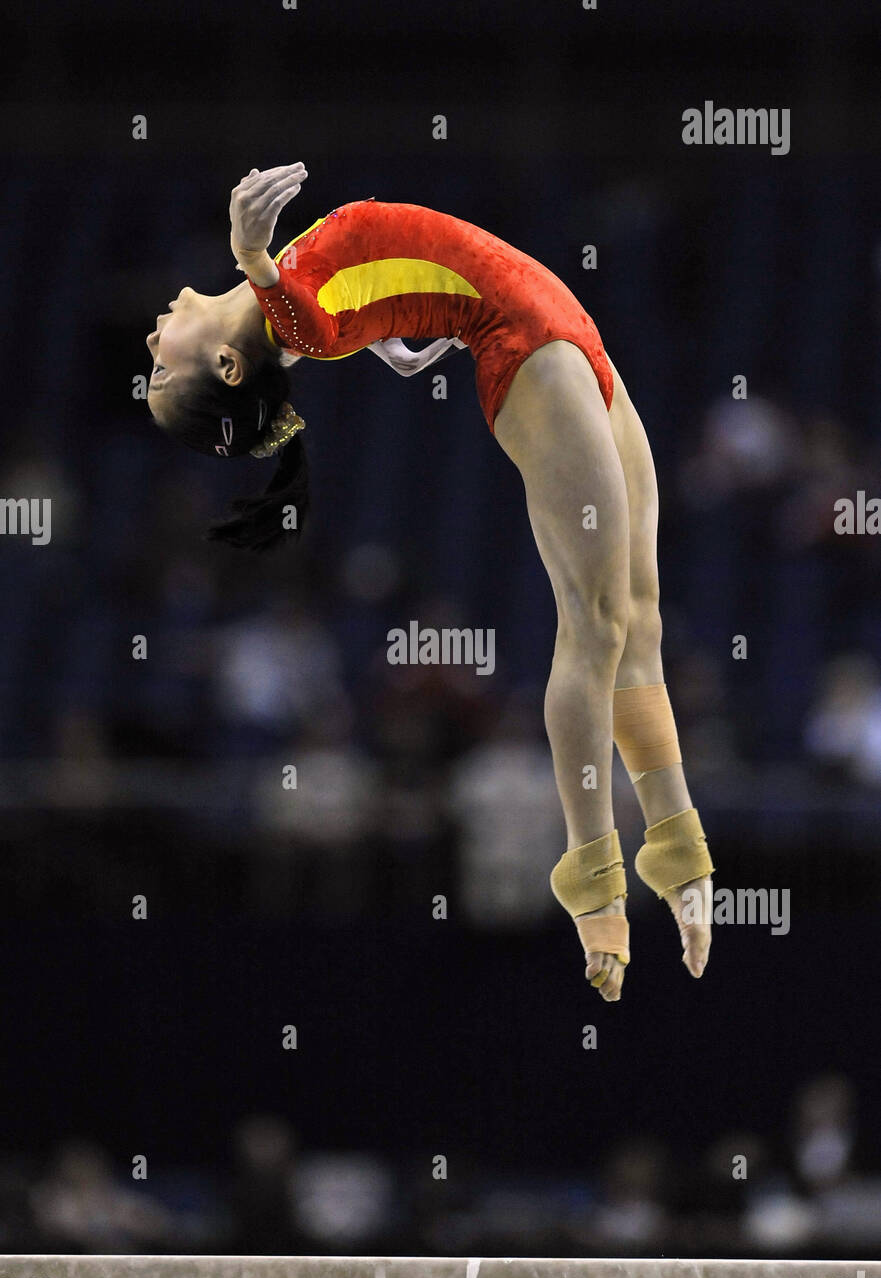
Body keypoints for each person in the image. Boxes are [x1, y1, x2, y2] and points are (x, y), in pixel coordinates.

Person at [146, 162, 714, 1002]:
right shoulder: (285, 306)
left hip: (563, 329)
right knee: (592, 624)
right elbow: (303, 316)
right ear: (228, 368)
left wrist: (395, 342)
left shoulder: (299, 310)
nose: (151, 343)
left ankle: (676, 846)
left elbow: (347, 301)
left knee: (638, 620)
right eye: (161, 372)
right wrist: (251, 253)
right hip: (530, 348)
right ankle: (593, 880)